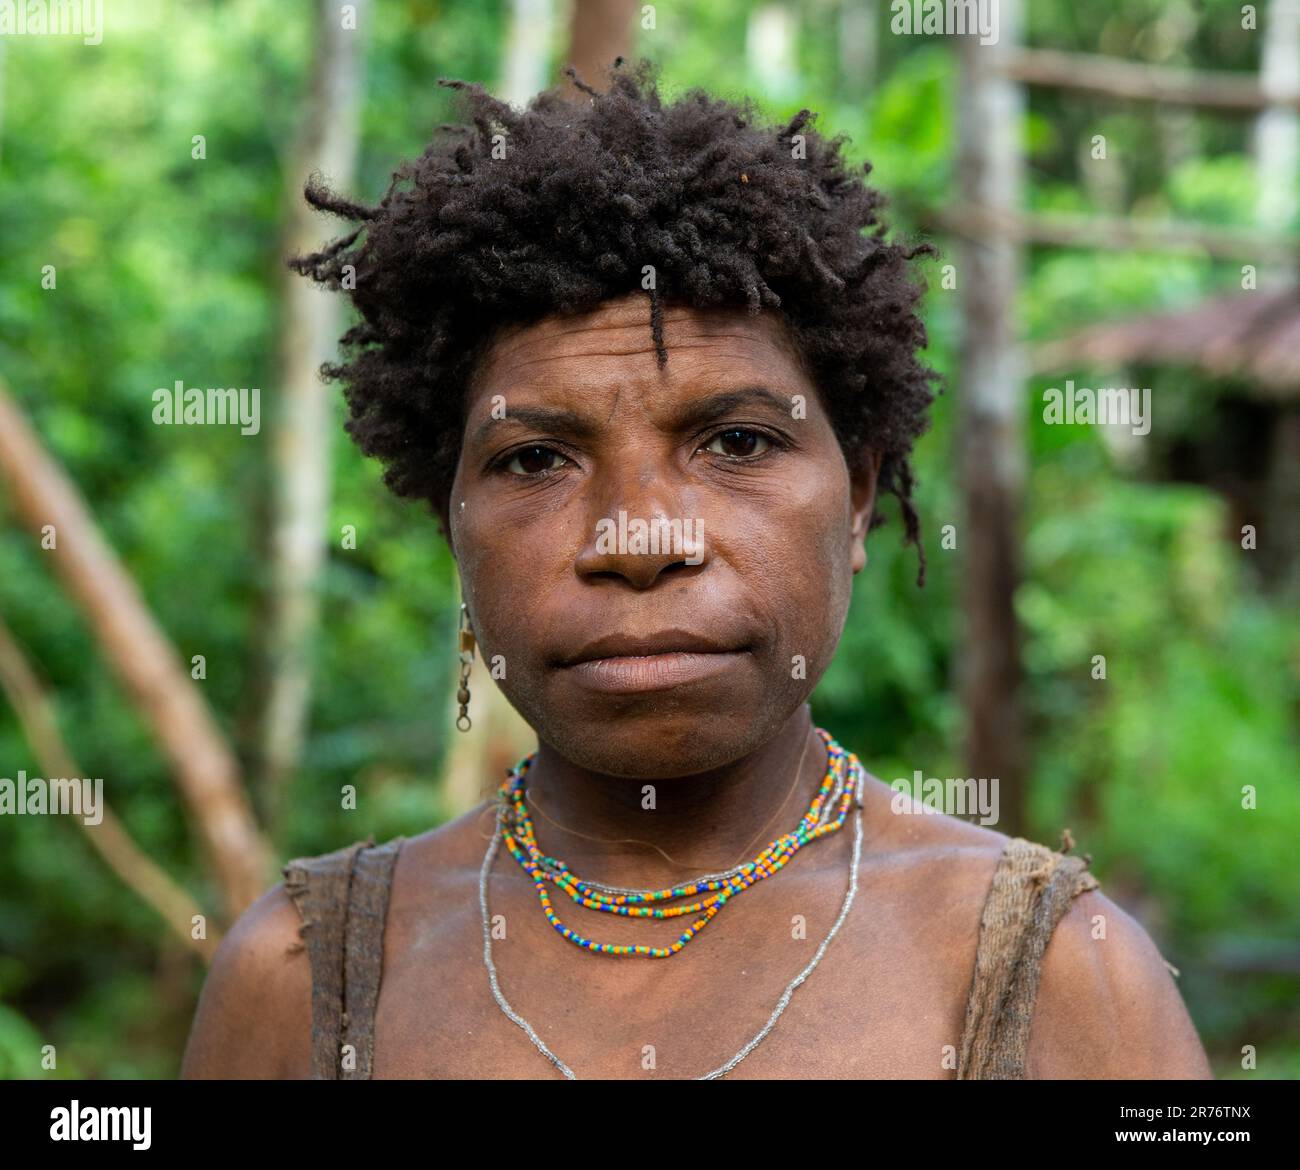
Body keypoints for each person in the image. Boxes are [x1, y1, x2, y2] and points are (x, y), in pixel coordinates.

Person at [181, 59, 1211, 1080]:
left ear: (855, 498)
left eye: (737, 443)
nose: (638, 539)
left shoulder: (1065, 981)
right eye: (535, 459)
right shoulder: (305, 977)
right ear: (453, 524)